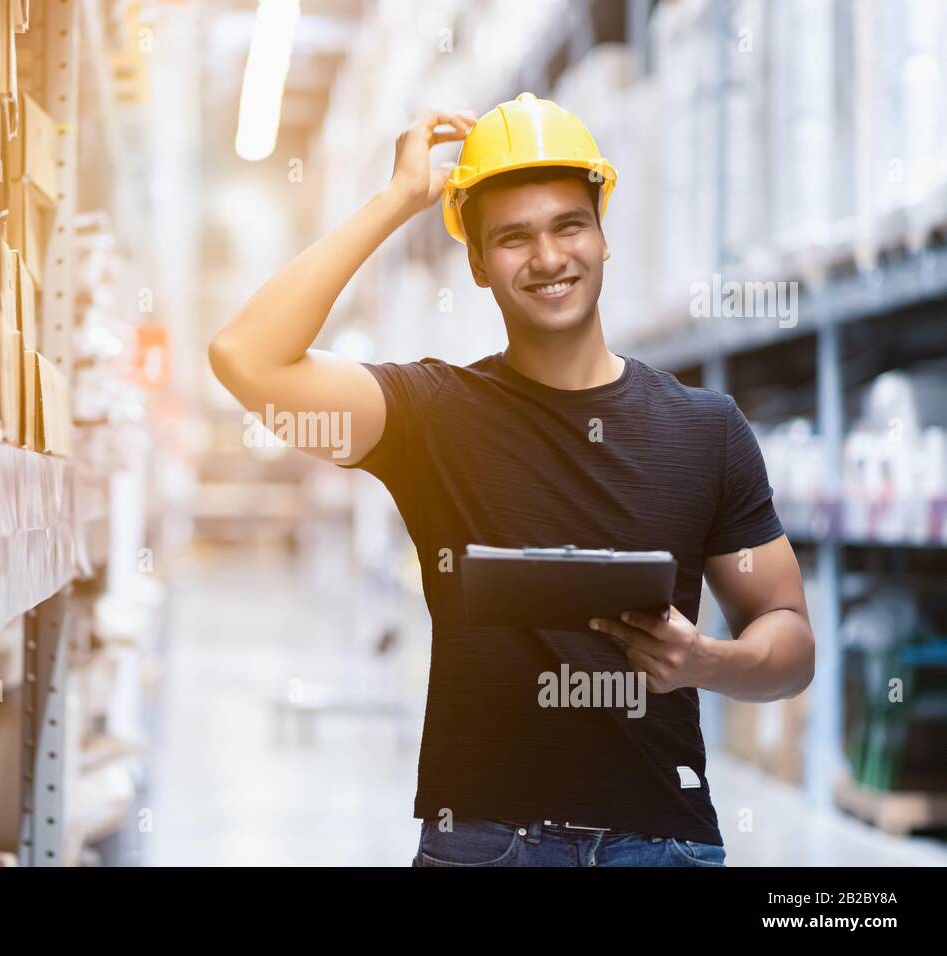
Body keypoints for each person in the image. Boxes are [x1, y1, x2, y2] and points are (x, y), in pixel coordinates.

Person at [208, 94, 815, 867]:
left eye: (569, 225)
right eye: (514, 238)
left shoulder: (707, 427)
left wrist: (707, 663)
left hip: (661, 846)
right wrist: (396, 201)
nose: (549, 257)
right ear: (476, 262)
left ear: (602, 236)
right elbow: (246, 357)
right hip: (488, 846)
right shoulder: (431, 418)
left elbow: (789, 638)